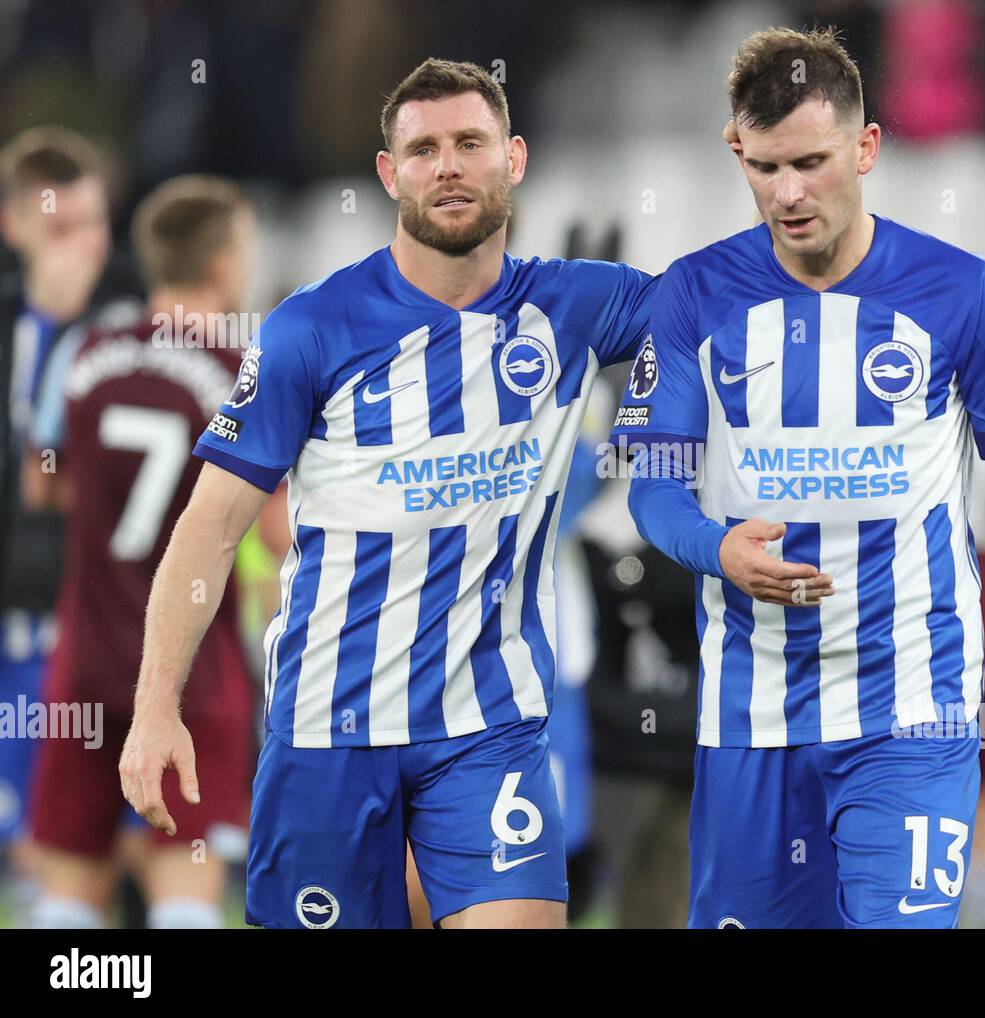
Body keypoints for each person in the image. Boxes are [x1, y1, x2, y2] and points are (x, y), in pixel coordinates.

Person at [119, 58, 655, 929]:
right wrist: (154, 709)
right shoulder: (311, 327)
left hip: (491, 728)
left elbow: (727, 311)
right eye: (424, 149)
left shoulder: (576, 306)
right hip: (329, 729)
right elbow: (210, 529)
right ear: (388, 173)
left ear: (513, 159)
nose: (448, 166)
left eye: (470, 143)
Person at [608, 27, 985, 929]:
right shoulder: (692, 297)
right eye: (765, 166)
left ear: (867, 147)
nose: (789, 192)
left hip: (912, 713)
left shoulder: (962, 292)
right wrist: (714, 547)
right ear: (736, 151)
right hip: (751, 717)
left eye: (811, 160)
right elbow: (656, 484)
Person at [22, 175, 261, 929]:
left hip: (86, 656)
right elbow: (279, 527)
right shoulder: (237, 371)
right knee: (184, 887)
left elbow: (42, 485)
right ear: (223, 263)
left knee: (69, 891)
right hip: (193, 667)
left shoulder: (88, 350)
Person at [0, 127, 118, 884]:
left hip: (91, 617)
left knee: (72, 841)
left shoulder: (135, 325)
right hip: (12, 608)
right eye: (60, 229)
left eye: (93, 225)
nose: (81, 247)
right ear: (13, 225)